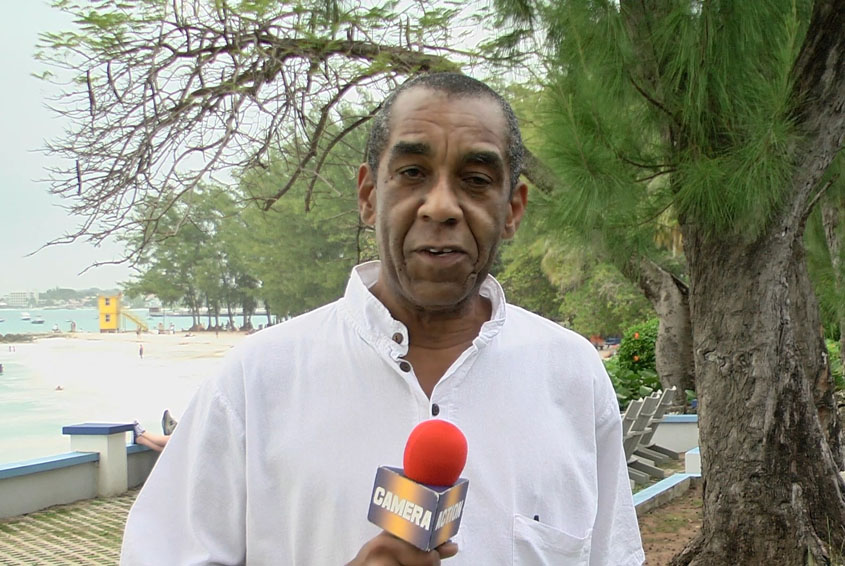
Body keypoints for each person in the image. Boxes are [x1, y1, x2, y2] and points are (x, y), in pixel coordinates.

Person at [120, 73, 644, 565]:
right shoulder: (254, 382)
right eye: (413, 173)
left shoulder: (573, 375)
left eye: (476, 179)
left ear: (512, 210)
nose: (441, 207)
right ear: (369, 196)